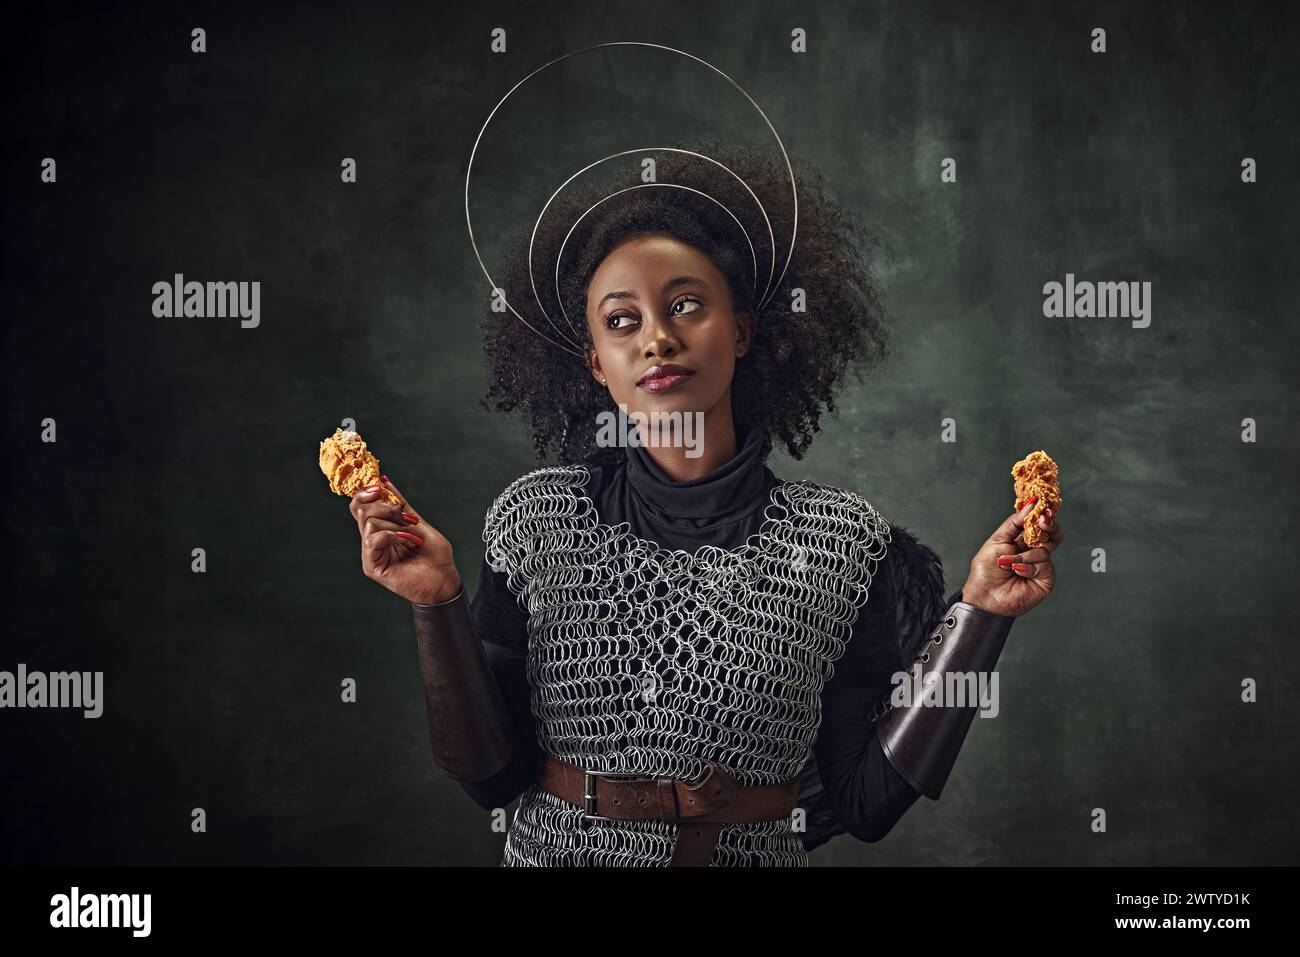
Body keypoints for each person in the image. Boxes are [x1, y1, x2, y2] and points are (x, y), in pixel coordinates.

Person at [346, 142, 1062, 865]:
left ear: (743, 330)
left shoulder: (841, 547)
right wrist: (436, 604)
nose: (658, 338)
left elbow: (867, 803)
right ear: (595, 361)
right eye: (621, 321)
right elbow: (493, 781)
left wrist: (983, 612)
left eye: (686, 304)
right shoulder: (537, 525)